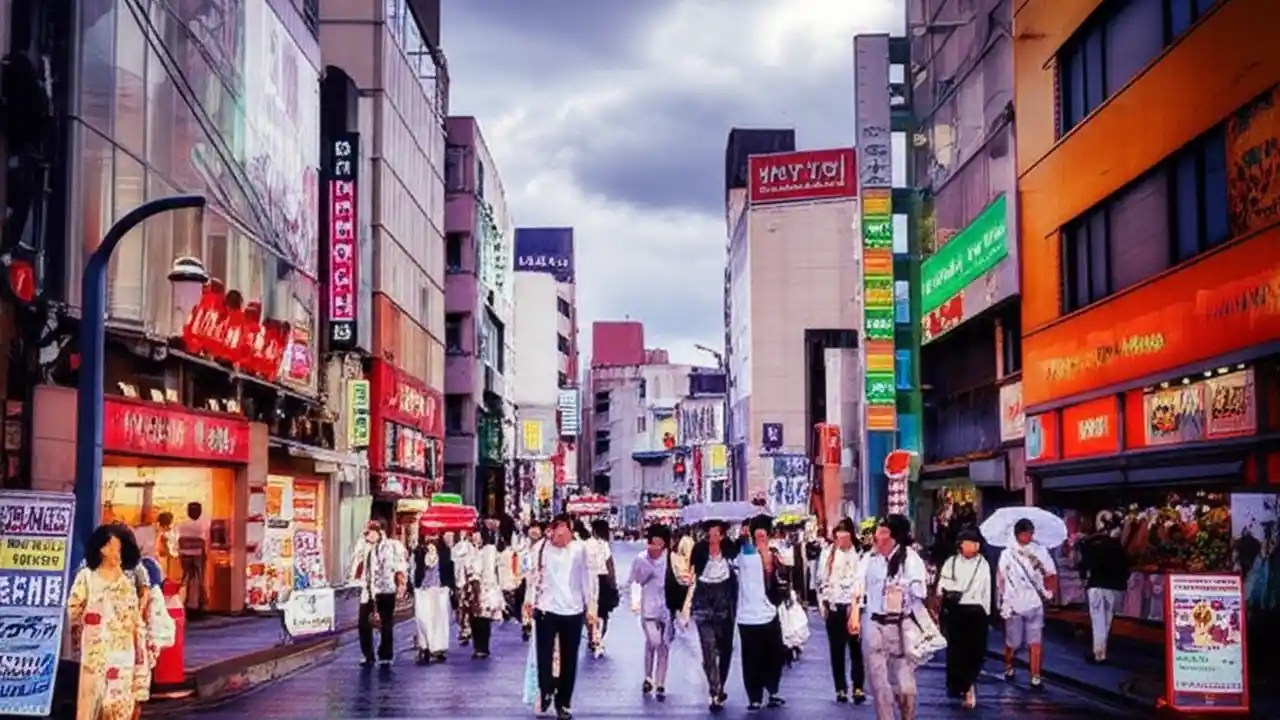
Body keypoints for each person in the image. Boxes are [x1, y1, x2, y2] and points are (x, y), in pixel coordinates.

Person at [67, 524, 148, 720]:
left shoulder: (127, 585)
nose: (116, 553)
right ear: (101, 549)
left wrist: (141, 684)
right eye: (112, 547)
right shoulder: (86, 578)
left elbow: (137, 629)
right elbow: (73, 612)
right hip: (94, 664)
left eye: (119, 548)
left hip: (123, 665)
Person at [855, 514, 928, 720]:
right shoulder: (869, 558)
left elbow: (920, 591)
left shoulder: (911, 559)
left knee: (906, 688)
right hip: (874, 623)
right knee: (880, 686)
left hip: (900, 626)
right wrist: (854, 613)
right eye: (878, 531)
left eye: (883, 532)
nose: (877, 536)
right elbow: (858, 585)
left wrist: (901, 587)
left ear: (894, 537)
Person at [524, 514, 596, 720]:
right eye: (558, 534)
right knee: (544, 655)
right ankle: (546, 690)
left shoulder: (580, 550)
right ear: (552, 531)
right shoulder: (541, 549)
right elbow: (533, 578)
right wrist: (529, 600)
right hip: (546, 608)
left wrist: (590, 605)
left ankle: (564, 702)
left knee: (569, 658)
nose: (561, 539)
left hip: (572, 610)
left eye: (566, 534)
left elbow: (587, 579)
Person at [998, 517, 1057, 689]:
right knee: (1013, 643)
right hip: (1014, 603)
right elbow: (1001, 579)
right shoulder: (1007, 554)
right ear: (1017, 534)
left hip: (1035, 602)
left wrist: (1050, 592)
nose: (1028, 536)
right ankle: (1009, 665)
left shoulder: (1040, 551)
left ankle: (1035, 676)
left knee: (1035, 642)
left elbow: (1051, 573)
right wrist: (1003, 601)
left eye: (1030, 533)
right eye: (1025, 533)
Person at [737, 514, 789, 710]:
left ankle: (773, 690)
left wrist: (769, 565)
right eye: (757, 536)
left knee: (774, 656)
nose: (760, 540)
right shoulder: (742, 553)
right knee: (751, 659)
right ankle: (754, 696)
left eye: (763, 536)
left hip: (769, 614)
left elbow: (783, 581)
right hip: (747, 617)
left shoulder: (775, 555)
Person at [937, 528, 991, 709]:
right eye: (970, 543)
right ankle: (963, 686)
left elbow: (987, 590)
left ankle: (969, 684)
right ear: (961, 544)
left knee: (976, 652)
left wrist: (987, 614)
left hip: (977, 612)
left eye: (976, 543)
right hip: (956, 611)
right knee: (957, 652)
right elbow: (941, 587)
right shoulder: (951, 563)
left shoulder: (983, 564)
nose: (974, 546)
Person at [689, 520, 739, 712]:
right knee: (708, 647)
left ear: (723, 535)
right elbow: (692, 573)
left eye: (716, 534)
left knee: (725, 649)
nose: (713, 538)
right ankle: (714, 690)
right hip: (703, 600)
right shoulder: (699, 550)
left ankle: (721, 684)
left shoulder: (730, 550)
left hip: (724, 603)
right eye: (710, 534)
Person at [818, 518, 866, 704]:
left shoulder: (860, 554)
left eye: (845, 534)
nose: (841, 539)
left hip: (854, 606)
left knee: (856, 648)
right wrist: (825, 602)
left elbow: (862, 581)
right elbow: (822, 579)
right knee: (836, 649)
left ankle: (858, 686)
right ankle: (840, 688)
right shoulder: (828, 554)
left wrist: (858, 605)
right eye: (838, 535)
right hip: (835, 605)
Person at [348, 519, 406, 667]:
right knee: (363, 624)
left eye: (374, 532)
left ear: (380, 533)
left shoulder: (389, 547)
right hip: (367, 591)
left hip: (385, 590)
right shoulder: (363, 547)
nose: (371, 535)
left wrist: (400, 585)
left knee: (386, 623)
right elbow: (356, 564)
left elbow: (399, 567)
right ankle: (368, 655)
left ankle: (386, 654)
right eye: (369, 532)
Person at [629, 523, 675, 699]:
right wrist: (634, 602)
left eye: (660, 541)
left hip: (666, 607)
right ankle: (648, 676)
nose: (656, 545)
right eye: (653, 541)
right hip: (648, 607)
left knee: (663, 646)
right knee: (654, 641)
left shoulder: (671, 558)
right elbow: (634, 581)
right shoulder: (641, 559)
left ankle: (659, 682)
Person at [1079, 510, 1129, 664]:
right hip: (1115, 588)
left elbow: (1084, 562)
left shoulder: (1094, 544)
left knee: (1098, 621)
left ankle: (1099, 654)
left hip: (1098, 586)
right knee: (1107, 621)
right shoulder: (1120, 548)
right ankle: (1101, 652)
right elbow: (1126, 568)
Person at [413, 532, 454, 664]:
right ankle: (424, 646)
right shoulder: (419, 552)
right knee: (423, 619)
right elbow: (416, 569)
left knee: (439, 620)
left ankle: (438, 648)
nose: (430, 539)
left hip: (439, 590)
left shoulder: (445, 551)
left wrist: (450, 586)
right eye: (428, 535)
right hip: (423, 590)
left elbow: (448, 568)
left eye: (434, 536)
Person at [465, 525, 505, 659]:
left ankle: (481, 647)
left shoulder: (489, 550)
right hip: (477, 587)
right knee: (478, 619)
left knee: (482, 618)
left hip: (484, 588)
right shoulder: (471, 550)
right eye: (473, 535)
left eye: (478, 535)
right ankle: (480, 647)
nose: (475, 538)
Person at [585, 518, 618, 657]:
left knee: (590, 610)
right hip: (602, 580)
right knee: (602, 613)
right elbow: (609, 565)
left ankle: (592, 635)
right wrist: (613, 584)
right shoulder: (604, 545)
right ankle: (597, 638)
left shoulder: (584, 545)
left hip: (587, 579)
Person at [176, 501, 209, 614]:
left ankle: (182, 602)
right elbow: (203, 542)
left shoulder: (182, 525)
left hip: (185, 555)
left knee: (185, 579)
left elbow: (180, 541)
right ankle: (198, 604)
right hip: (198, 555)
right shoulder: (202, 525)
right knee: (199, 579)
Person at [520, 522, 545, 641]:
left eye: (537, 529)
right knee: (527, 600)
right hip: (526, 578)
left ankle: (530, 622)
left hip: (540, 580)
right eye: (532, 529)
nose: (534, 531)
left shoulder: (544, 546)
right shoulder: (523, 545)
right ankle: (526, 623)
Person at [451, 530, 476, 645]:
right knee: (460, 607)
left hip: (468, 581)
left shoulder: (471, 548)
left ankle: (467, 628)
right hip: (458, 581)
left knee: (467, 606)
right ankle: (462, 628)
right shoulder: (454, 548)